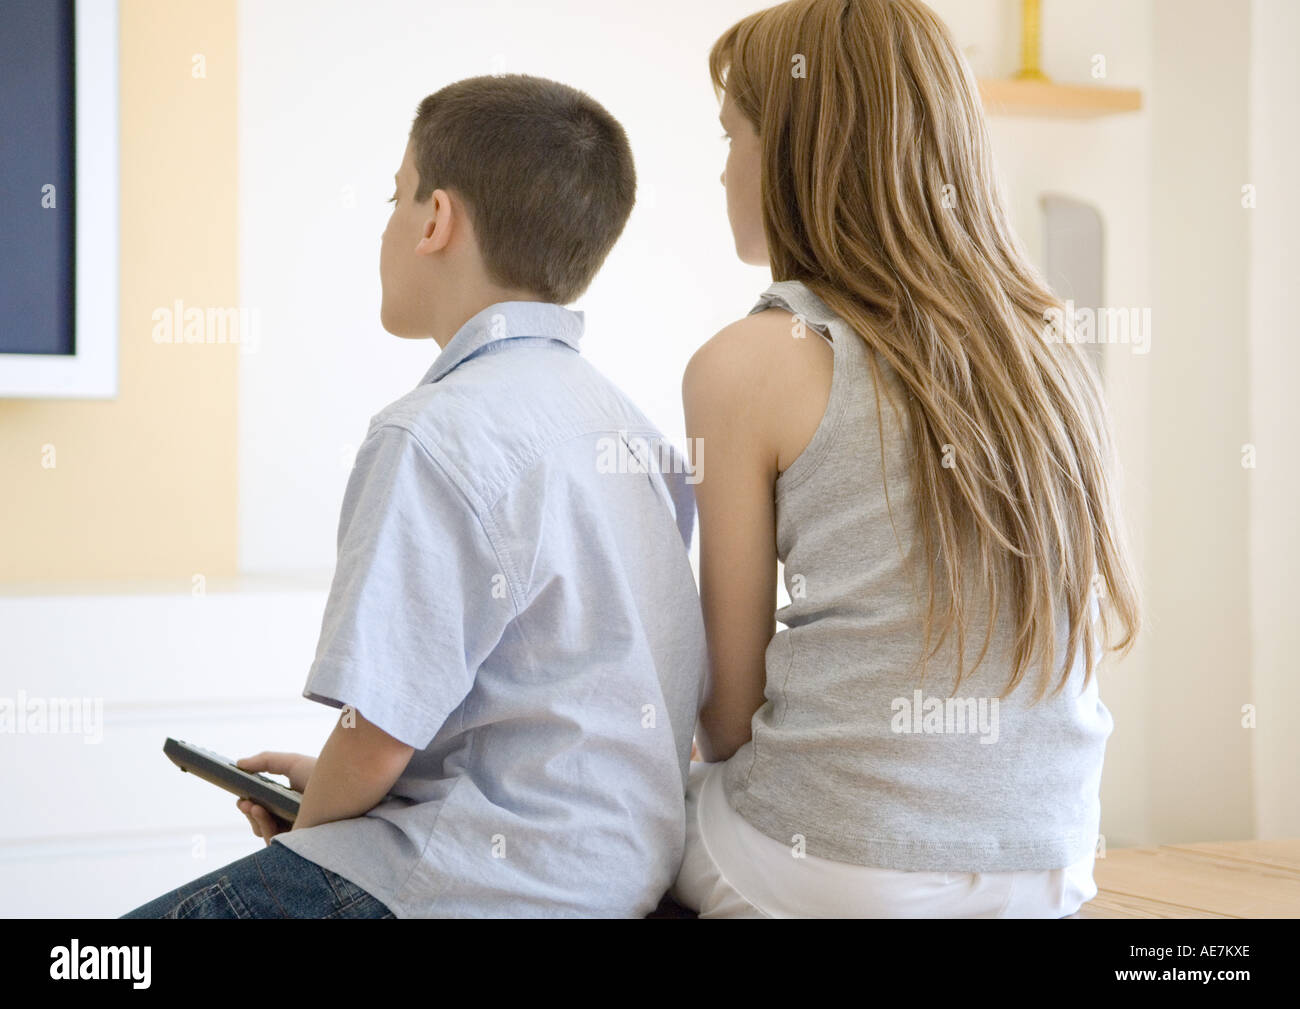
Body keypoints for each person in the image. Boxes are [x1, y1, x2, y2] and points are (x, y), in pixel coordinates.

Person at [122, 74, 706, 918]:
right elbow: (558, 696)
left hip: (467, 882)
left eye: (397, 196)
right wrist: (333, 783)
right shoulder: (634, 434)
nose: (391, 221)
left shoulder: (431, 433)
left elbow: (377, 738)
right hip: (614, 878)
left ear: (435, 220)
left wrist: (309, 832)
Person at [670, 0, 1141, 918]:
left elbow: (727, 720)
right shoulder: (1048, 357)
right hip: (1049, 866)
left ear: (796, 153)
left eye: (732, 136)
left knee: (624, 819)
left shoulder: (748, 363)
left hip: (833, 866)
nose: (722, 168)